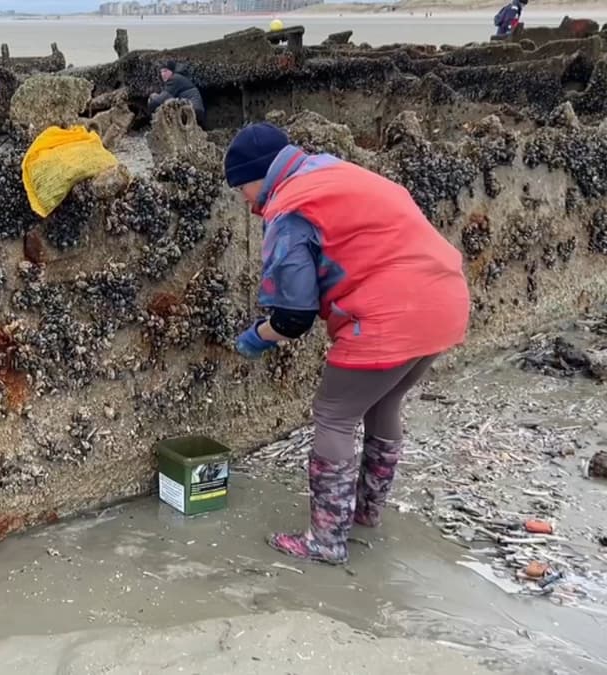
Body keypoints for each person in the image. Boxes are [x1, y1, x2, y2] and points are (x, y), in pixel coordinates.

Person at [225, 123, 471, 565]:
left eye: (241, 186)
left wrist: (257, 337)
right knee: (383, 404)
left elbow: (294, 317)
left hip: (388, 317)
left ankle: (326, 542)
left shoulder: (290, 209)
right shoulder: (330, 171)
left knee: (334, 417)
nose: (243, 198)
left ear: (259, 175)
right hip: (445, 301)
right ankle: (366, 512)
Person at [148, 61, 205, 128]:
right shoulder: (179, 78)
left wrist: (153, 97)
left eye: (165, 71)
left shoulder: (174, 79)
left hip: (191, 111)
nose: (163, 74)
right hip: (197, 111)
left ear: (172, 71)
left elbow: (159, 101)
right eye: (161, 72)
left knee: (153, 103)